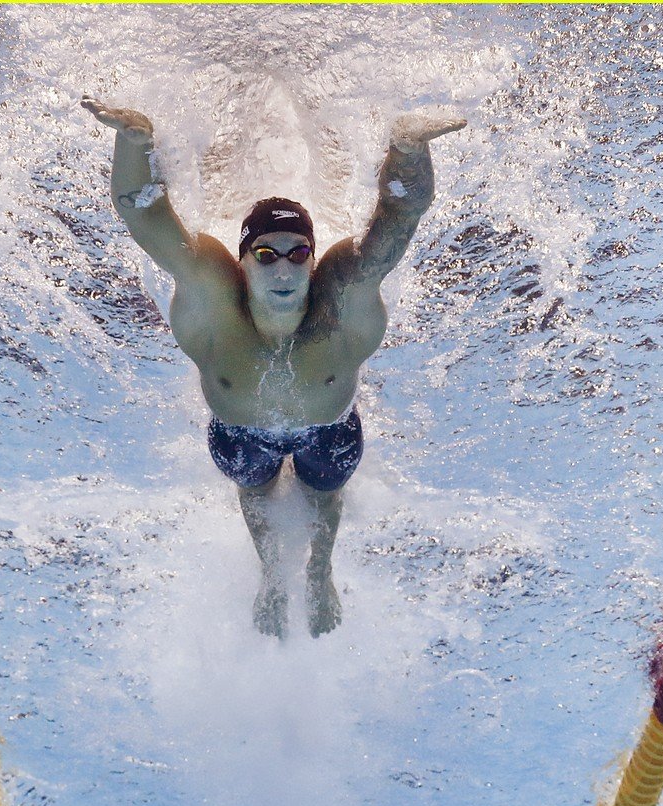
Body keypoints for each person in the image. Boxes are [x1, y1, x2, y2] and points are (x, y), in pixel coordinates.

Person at [82, 93, 465, 639]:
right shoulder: (212, 301)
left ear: (313, 259)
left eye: (297, 253)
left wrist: (406, 147)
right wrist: (136, 139)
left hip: (328, 431)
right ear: (242, 261)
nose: (283, 270)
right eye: (266, 254)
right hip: (240, 435)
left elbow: (400, 216)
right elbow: (141, 210)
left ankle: (319, 571)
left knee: (325, 495)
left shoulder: (343, 299)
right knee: (255, 494)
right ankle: (270, 577)